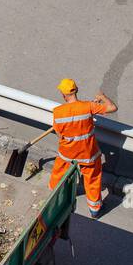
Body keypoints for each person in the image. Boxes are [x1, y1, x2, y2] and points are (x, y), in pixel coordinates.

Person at [50, 78, 117, 216]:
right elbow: (112, 108)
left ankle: (53, 199)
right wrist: (102, 98)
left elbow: (59, 134)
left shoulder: (58, 112)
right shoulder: (88, 107)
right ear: (76, 90)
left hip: (67, 153)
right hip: (88, 153)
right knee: (92, 178)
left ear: (63, 94)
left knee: (58, 175)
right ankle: (95, 209)